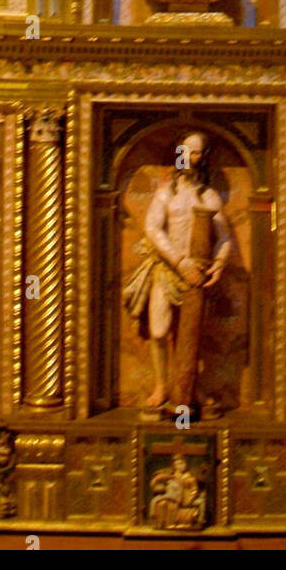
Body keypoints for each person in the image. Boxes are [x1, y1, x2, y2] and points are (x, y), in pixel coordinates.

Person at [123, 131, 232, 409]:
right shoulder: (165, 194)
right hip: (168, 269)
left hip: (196, 275)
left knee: (192, 334)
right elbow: (153, 229)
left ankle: (190, 389)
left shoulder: (208, 196)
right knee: (159, 332)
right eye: (186, 151)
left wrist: (218, 264)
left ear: (203, 158)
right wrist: (178, 261)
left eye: (196, 152)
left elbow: (224, 237)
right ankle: (161, 386)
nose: (190, 157)